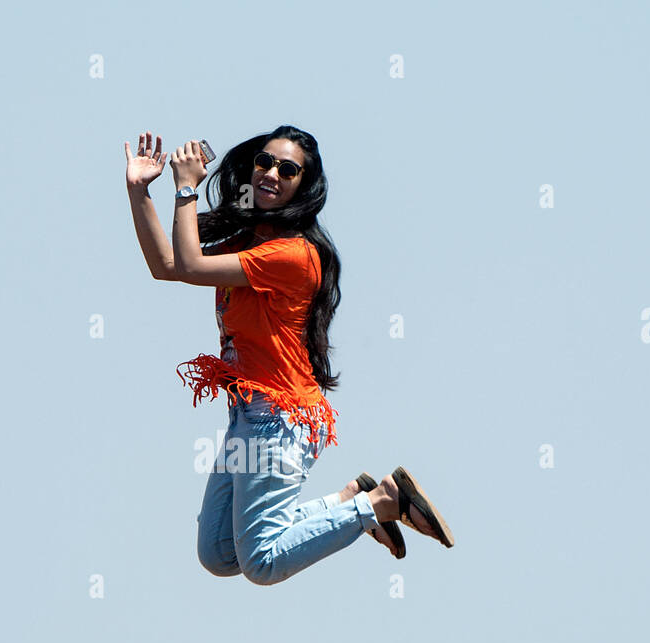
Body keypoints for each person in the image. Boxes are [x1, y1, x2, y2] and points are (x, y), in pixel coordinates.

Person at [124, 124, 454, 585]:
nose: (271, 173)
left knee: (262, 563)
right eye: (264, 162)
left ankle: (382, 503)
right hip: (249, 413)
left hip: (281, 418)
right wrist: (139, 191)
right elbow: (168, 266)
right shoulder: (251, 235)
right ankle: (351, 501)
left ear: (303, 186)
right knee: (219, 554)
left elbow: (193, 265)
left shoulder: (293, 254)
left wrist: (184, 189)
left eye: (287, 169)